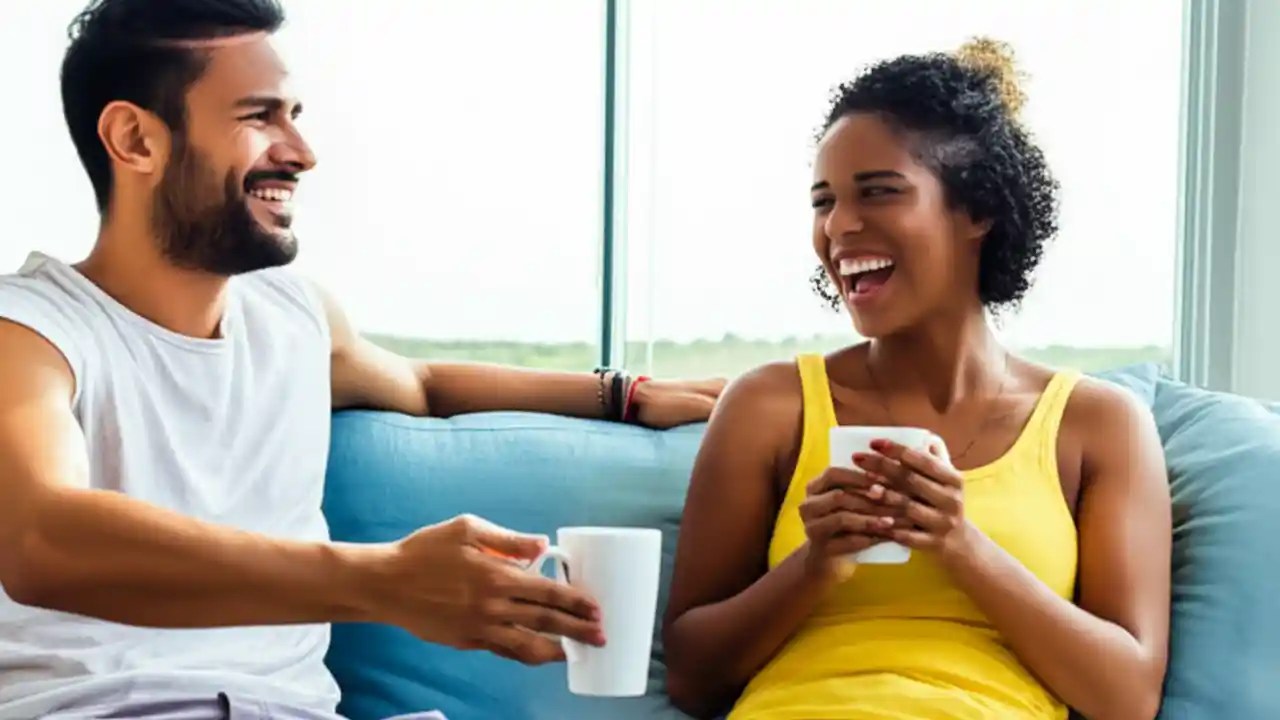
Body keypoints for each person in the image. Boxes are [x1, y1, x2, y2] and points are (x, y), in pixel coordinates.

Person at [0, 1, 723, 718]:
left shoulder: (294, 319)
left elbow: (423, 384)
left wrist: (623, 394)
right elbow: (43, 539)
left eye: (295, 114)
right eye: (259, 116)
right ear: (135, 140)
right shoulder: (30, 331)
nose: (301, 151)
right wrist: (386, 582)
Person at [662, 38, 1171, 720]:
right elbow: (693, 678)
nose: (839, 226)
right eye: (824, 202)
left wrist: (961, 544)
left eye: (878, 192)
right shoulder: (771, 405)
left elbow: (1127, 697)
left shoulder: (1097, 425)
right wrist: (813, 565)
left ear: (976, 211)